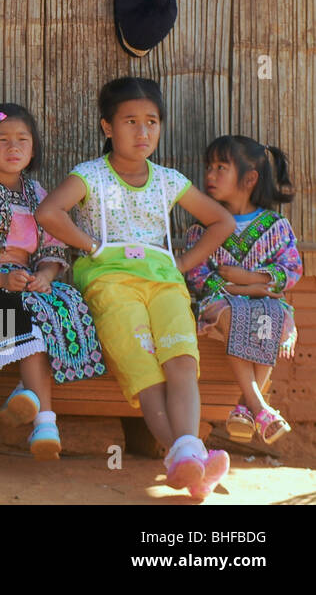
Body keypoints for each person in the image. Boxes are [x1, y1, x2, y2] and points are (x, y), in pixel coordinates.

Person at [37, 77, 235, 499]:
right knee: (147, 374)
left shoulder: (168, 180)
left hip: (164, 283)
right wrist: (92, 246)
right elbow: (49, 212)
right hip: (110, 284)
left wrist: (181, 263)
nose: (143, 132)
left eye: (152, 122)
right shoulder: (90, 175)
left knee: (181, 361)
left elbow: (223, 221)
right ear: (107, 127)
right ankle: (186, 460)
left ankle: (187, 458)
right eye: (131, 122)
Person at [0, 103, 106, 459]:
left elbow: (53, 247)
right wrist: (1, 281)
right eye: (2, 140)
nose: (13, 147)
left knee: (66, 304)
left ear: (33, 148)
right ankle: (45, 423)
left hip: (25, 279)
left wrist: (46, 276)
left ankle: (25, 394)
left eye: (22, 139)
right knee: (16, 315)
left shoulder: (37, 194)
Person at [183, 135, 301, 445]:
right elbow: (196, 275)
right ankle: (259, 406)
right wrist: (237, 288)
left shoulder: (276, 226)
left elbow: (292, 270)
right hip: (220, 308)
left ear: (249, 179)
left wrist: (247, 279)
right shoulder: (202, 226)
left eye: (221, 167)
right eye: (209, 167)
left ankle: (245, 408)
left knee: (271, 319)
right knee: (237, 314)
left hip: (266, 306)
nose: (210, 175)